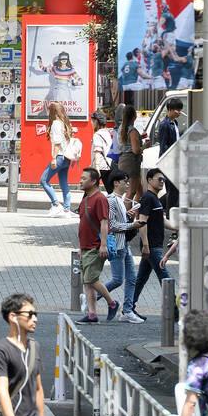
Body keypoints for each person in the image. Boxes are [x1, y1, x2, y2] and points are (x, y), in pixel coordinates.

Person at [75, 166, 119, 324]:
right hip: (86, 246)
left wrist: (103, 245)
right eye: (81, 178)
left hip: (95, 246)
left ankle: (112, 303)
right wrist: (80, 247)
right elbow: (83, 224)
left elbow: (104, 222)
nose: (80, 181)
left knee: (92, 279)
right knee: (87, 282)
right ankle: (92, 314)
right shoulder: (85, 198)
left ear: (94, 181)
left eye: (84, 178)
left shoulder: (100, 199)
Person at [131, 167, 169, 319]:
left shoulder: (155, 199)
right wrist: (145, 245)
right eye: (159, 179)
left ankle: (128, 307)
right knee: (166, 280)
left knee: (140, 279)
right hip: (152, 247)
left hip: (154, 246)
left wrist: (181, 226)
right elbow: (142, 222)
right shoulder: (148, 198)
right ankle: (177, 313)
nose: (162, 182)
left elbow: (163, 221)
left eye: (164, 180)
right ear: (149, 180)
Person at [104, 169, 142, 323]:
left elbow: (119, 220)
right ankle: (91, 297)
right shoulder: (111, 200)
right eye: (125, 181)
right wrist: (132, 225)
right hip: (116, 245)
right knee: (118, 279)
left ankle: (127, 310)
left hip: (124, 244)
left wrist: (128, 216)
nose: (128, 184)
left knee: (132, 278)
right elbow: (111, 225)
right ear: (116, 183)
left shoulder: (121, 199)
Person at [39, 100, 75, 217]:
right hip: (66, 158)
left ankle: (56, 205)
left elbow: (57, 143)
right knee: (64, 183)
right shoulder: (65, 124)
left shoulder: (55, 124)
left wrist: (53, 158)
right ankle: (66, 210)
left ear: (52, 111)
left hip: (59, 157)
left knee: (43, 180)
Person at [157, 98, 183, 212]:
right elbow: (163, 145)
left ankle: (172, 214)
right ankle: (170, 215)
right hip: (169, 162)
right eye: (177, 110)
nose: (179, 112)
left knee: (175, 190)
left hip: (176, 160)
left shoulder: (174, 123)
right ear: (170, 110)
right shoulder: (165, 125)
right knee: (172, 191)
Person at [116, 103, 143, 201]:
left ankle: (137, 212)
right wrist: (145, 146)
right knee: (131, 192)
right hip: (132, 161)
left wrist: (140, 137)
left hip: (123, 160)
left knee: (140, 191)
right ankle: (126, 215)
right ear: (134, 116)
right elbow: (136, 150)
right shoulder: (132, 130)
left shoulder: (121, 128)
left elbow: (126, 143)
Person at [89, 109, 115, 192]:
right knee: (110, 190)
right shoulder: (106, 132)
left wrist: (96, 166)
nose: (91, 123)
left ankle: (84, 204)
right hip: (108, 165)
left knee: (89, 190)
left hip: (101, 167)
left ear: (96, 121)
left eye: (92, 121)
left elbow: (98, 151)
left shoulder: (97, 135)